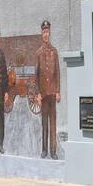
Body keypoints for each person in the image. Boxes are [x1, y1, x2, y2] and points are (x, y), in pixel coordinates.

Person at [35, 19, 61, 159]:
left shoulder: (54, 51)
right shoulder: (39, 52)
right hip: (43, 94)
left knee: (53, 123)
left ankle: (53, 151)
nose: (46, 34)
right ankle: (44, 150)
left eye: (47, 31)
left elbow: (57, 71)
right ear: (41, 34)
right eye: (44, 32)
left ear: (49, 33)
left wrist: (58, 91)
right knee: (44, 123)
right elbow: (36, 74)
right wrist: (38, 93)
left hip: (52, 93)